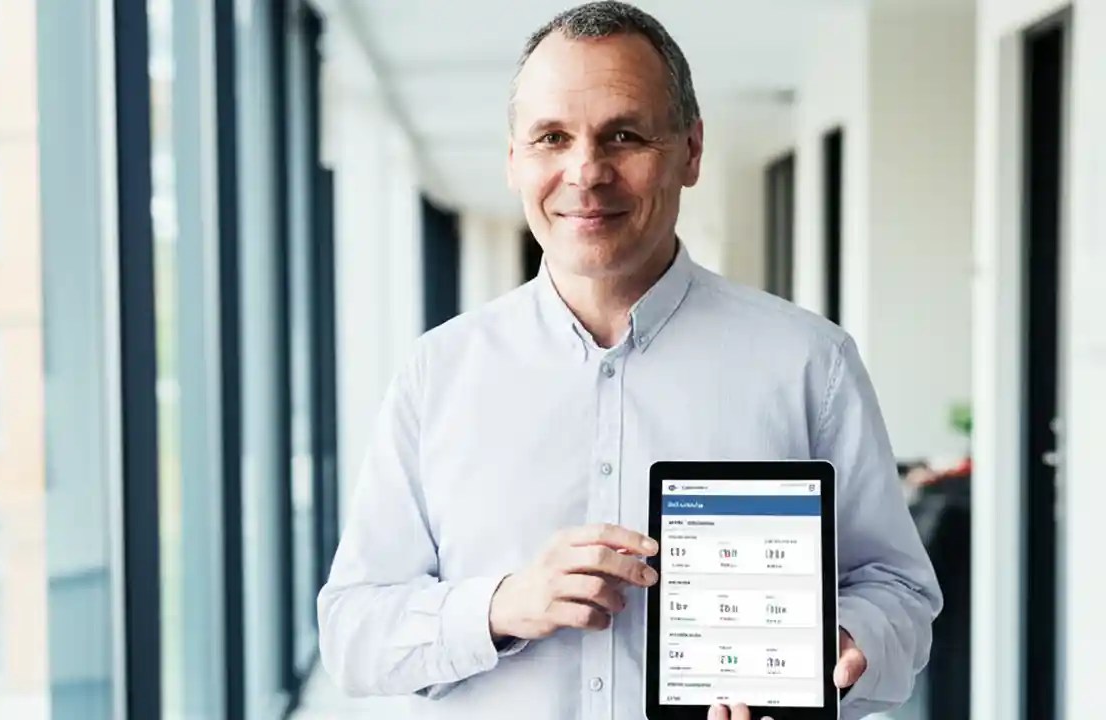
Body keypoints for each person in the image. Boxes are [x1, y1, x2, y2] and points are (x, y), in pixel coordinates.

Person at [317, 2, 942, 719]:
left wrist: (838, 649)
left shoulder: (809, 364)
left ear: (691, 151)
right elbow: (352, 632)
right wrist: (498, 604)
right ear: (515, 160)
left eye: (625, 134)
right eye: (552, 137)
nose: (587, 171)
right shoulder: (438, 374)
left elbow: (899, 590)